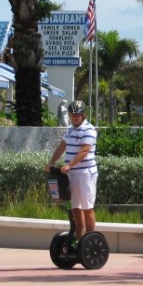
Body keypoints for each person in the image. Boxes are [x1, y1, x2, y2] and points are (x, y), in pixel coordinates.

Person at [46, 100, 97, 243]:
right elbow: (62, 147)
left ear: (83, 115)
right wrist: (51, 163)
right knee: (75, 207)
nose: (75, 117)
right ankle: (79, 239)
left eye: (77, 115)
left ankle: (91, 240)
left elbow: (85, 150)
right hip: (71, 174)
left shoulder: (89, 129)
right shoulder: (69, 130)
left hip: (85, 173)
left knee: (87, 207)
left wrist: (70, 164)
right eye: (72, 115)